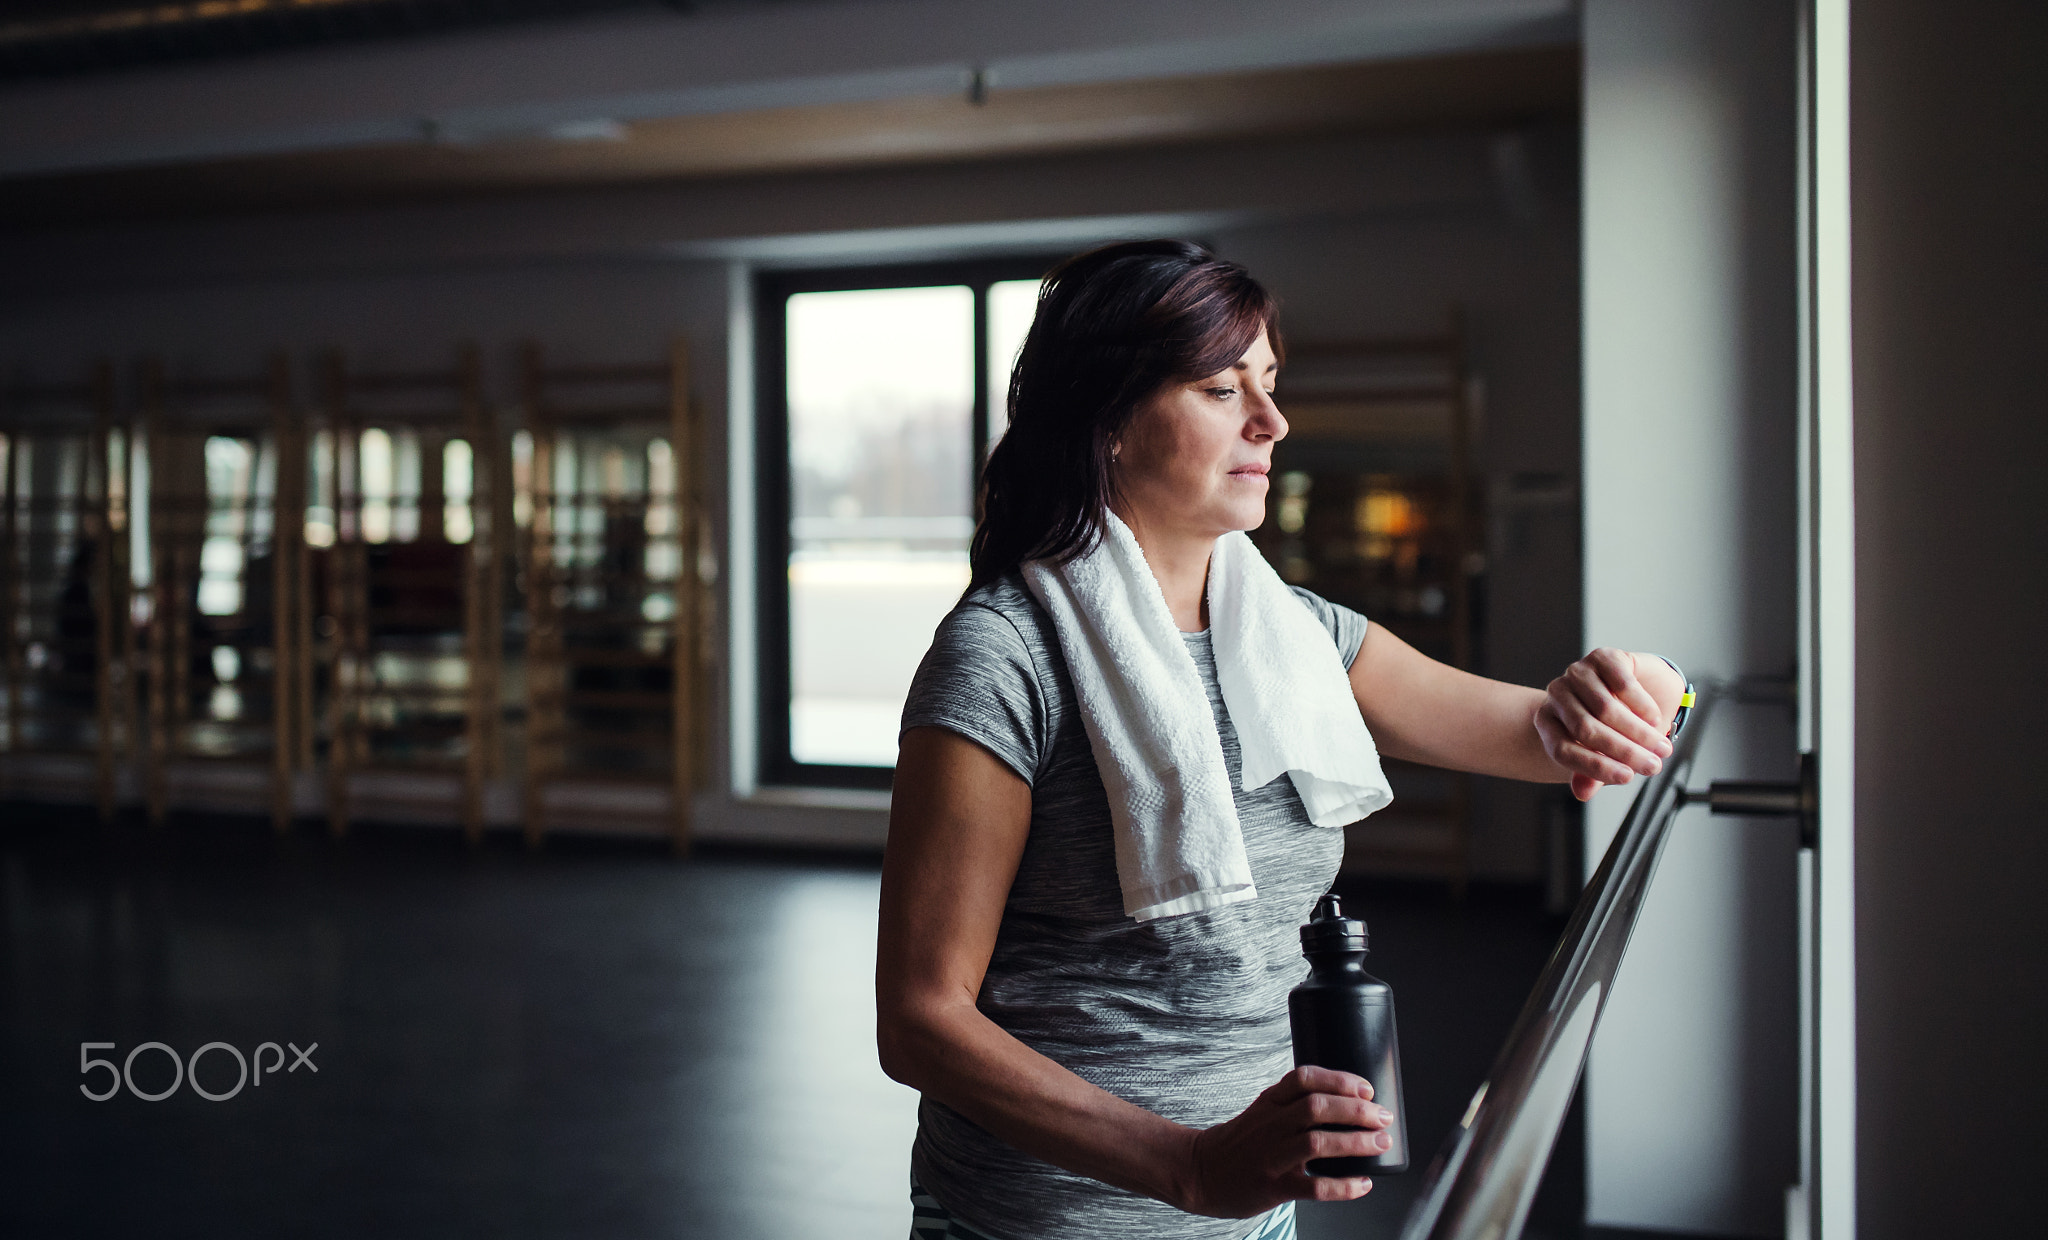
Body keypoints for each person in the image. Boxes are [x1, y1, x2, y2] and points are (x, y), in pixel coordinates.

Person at [875, 240, 1683, 1240]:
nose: (1272, 421)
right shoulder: (1002, 656)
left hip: (1248, 1211)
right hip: (1048, 1220)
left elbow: (1546, 735)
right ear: (1107, 420)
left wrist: (1639, 683)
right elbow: (920, 1019)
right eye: (1220, 388)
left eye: (1268, 383)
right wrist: (1183, 1163)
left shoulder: (1298, 636)